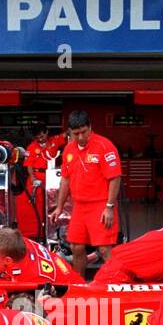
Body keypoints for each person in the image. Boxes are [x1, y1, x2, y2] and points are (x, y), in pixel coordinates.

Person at [51, 111, 122, 277]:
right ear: (69, 132)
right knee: (76, 247)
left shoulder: (105, 146)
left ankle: (117, 284)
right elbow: (65, 180)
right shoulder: (68, 150)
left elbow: (115, 178)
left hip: (101, 205)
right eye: (76, 134)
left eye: (84, 131)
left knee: (104, 249)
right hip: (79, 207)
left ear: (90, 127)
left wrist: (109, 207)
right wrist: (59, 207)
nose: (81, 137)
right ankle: (78, 284)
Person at [0, 226, 83, 287]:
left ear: (8, 260)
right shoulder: (20, 242)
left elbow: (38, 314)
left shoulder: (29, 279)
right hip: (71, 280)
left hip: (77, 301)